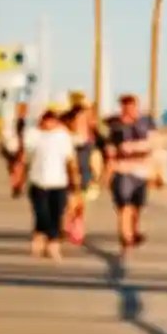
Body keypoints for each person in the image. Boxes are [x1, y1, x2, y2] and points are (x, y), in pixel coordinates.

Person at [104, 94, 160, 257]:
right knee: (124, 207)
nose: (128, 109)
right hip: (122, 170)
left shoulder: (146, 123)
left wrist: (133, 147)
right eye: (125, 106)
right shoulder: (115, 126)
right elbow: (109, 147)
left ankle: (133, 231)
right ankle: (125, 238)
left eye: (131, 106)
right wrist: (110, 164)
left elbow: (154, 143)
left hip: (142, 170)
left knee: (136, 208)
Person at [23, 106, 78, 261]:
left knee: (56, 214)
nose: (49, 124)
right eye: (46, 120)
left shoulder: (63, 136)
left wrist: (75, 181)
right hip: (38, 181)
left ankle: (52, 244)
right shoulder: (33, 135)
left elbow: (70, 159)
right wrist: (18, 178)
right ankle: (40, 237)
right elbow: (25, 156)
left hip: (59, 182)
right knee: (41, 213)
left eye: (52, 121)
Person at [62, 97, 102, 244]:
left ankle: (76, 222)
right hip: (70, 168)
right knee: (72, 200)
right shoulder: (66, 132)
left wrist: (97, 174)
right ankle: (70, 223)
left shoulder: (93, 132)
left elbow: (97, 151)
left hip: (85, 168)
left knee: (80, 202)